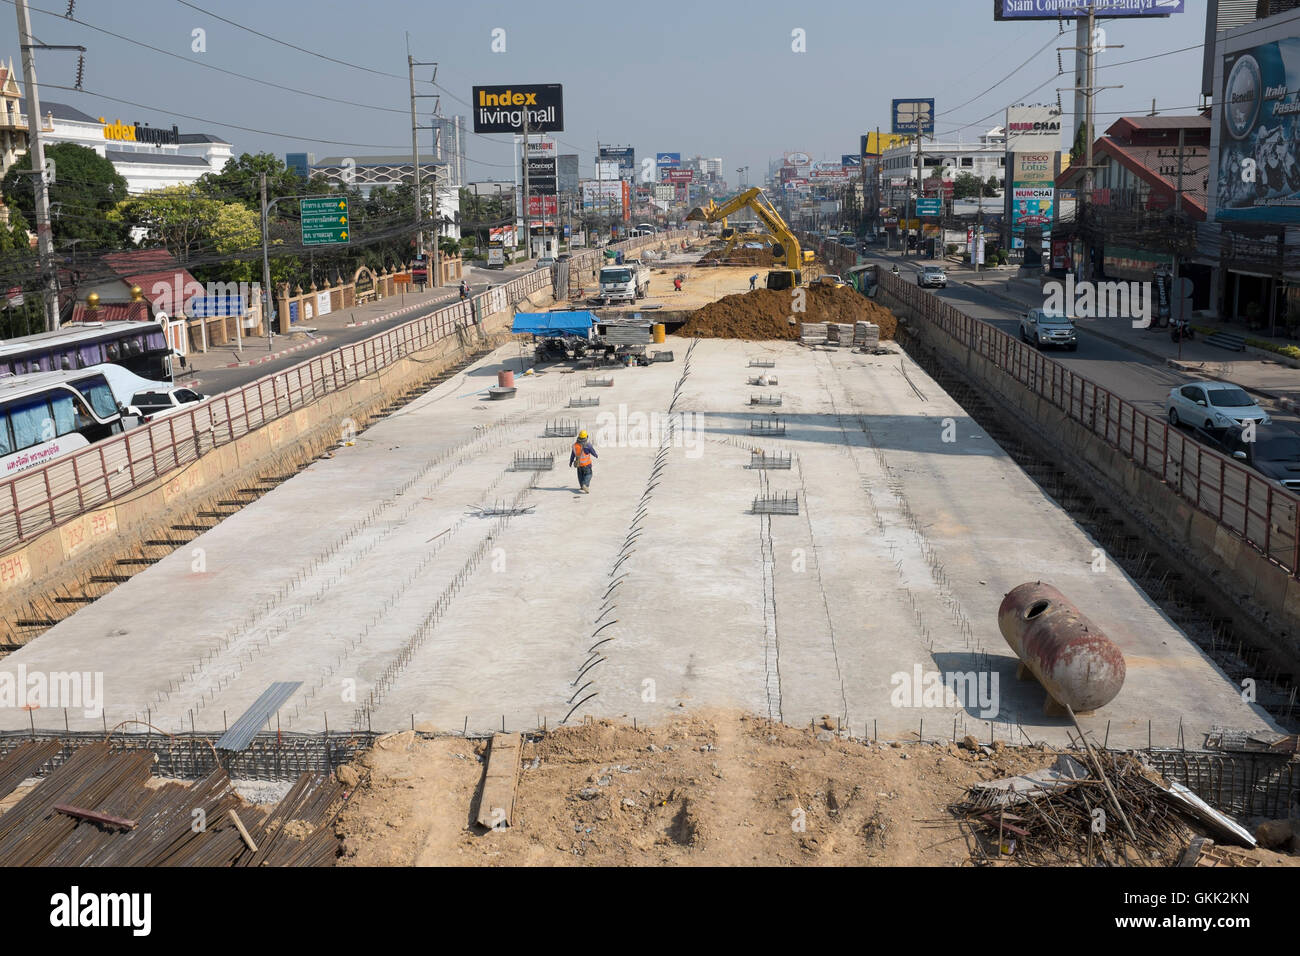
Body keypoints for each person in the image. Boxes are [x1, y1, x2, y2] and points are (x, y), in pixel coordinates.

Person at [570, 430, 598, 494]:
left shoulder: (574, 445)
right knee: (589, 475)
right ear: (586, 437)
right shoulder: (587, 445)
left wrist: (571, 462)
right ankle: (585, 485)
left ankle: (582, 486)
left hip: (579, 465)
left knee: (580, 476)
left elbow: (572, 455)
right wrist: (595, 455)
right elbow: (592, 452)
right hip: (587, 465)